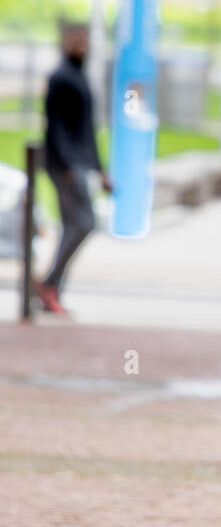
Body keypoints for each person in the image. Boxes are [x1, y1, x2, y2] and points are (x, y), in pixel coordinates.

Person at [35, 23, 112, 316]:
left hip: (79, 163)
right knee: (82, 222)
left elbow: (87, 130)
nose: (83, 46)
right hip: (65, 165)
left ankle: (50, 286)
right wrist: (68, 164)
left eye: (85, 40)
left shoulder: (79, 76)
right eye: (76, 40)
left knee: (79, 224)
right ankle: (50, 284)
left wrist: (100, 169)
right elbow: (54, 127)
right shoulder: (60, 77)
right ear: (66, 42)